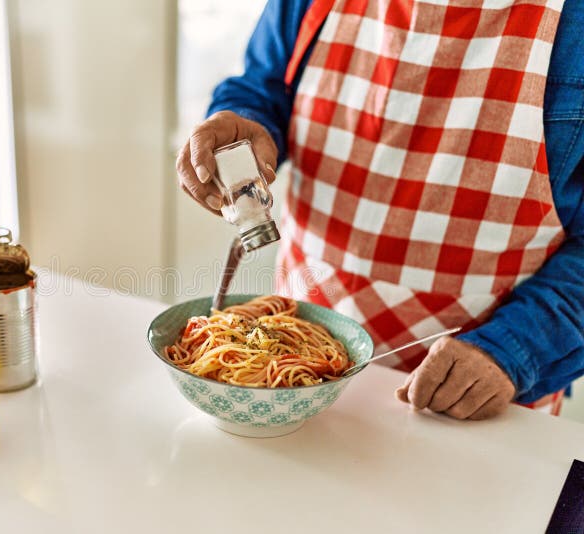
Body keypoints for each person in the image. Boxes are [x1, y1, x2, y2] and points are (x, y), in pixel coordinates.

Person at [176, 0, 584, 419]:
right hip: (289, 370)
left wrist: (513, 349)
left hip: (475, 398)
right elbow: (264, 86)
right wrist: (244, 127)